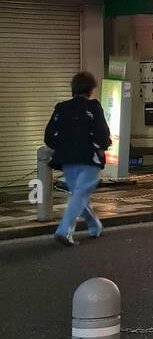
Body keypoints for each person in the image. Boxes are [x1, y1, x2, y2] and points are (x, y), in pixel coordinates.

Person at [44, 71, 112, 246]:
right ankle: (64, 231)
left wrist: (60, 147)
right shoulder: (93, 107)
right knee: (80, 194)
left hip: (67, 159)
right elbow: (102, 133)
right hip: (89, 158)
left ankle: (94, 226)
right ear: (90, 89)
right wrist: (102, 147)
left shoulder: (61, 108)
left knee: (79, 194)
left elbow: (49, 135)